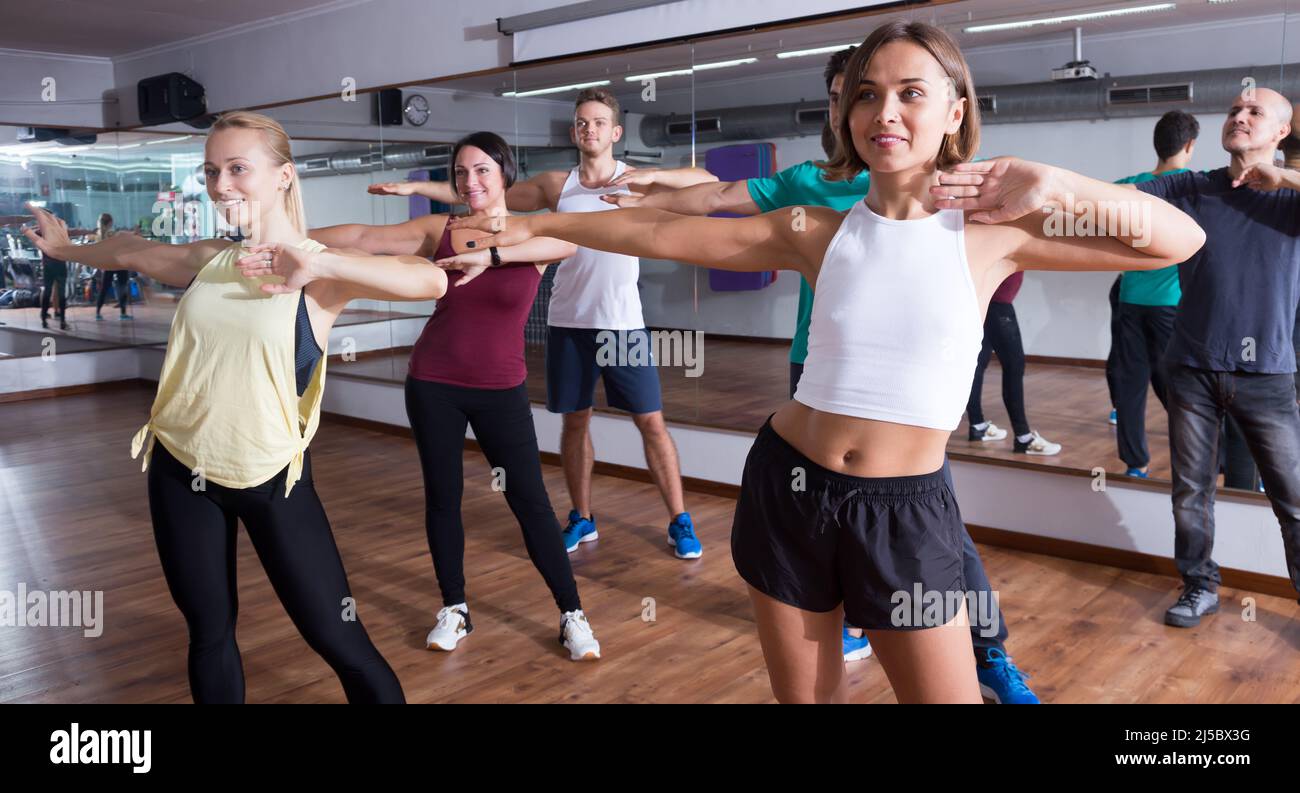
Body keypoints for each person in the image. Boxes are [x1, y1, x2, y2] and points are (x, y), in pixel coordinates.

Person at [446, 21, 1205, 702]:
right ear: (847, 115)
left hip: (904, 510)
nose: (886, 112)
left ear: (955, 112)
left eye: (912, 92)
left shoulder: (990, 232)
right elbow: (656, 234)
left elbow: (1178, 239)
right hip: (790, 489)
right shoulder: (815, 227)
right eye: (868, 94)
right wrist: (521, 223)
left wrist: (1054, 180)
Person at [600, 46, 1037, 701]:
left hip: (914, 390)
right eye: (854, 97)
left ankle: (984, 647)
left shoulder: (934, 183)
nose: (871, 112)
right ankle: (846, 600)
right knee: (829, 498)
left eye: (899, 94)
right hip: (821, 365)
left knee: (929, 527)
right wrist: (662, 185)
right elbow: (721, 197)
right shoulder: (811, 181)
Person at [21, 111, 447, 703]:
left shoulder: (319, 272)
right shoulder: (211, 259)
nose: (222, 185)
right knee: (209, 635)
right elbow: (131, 250)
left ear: (283, 176)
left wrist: (318, 262)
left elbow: (429, 281)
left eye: (239, 169)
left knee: (338, 639)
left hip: (270, 476)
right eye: (212, 171)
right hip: (178, 467)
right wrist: (69, 250)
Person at [372, 89, 718, 559]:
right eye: (581, 122)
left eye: (598, 122)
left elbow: (707, 180)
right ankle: (582, 517)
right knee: (575, 422)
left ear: (615, 132)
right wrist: (417, 189)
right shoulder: (558, 185)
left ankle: (679, 520)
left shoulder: (638, 185)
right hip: (568, 322)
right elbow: (483, 191)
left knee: (651, 422)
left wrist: (650, 175)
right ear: (574, 130)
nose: (588, 129)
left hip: (623, 325)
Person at [311, 132, 602, 661]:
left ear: (505, 173)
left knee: (531, 504)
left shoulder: (531, 232)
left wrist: (490, 255)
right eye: (462, 173)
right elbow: (363, 235)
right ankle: (455, 608)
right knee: (443, 499)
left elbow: (570, 243)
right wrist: (286, 237)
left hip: (501, 389)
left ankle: (571, 614)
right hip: (434, 383)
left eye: (483, 170)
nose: (472, 182)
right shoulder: (437, 230)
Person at [1127, 87, 1300, 626]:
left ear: (1280, 133)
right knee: (1190, 492)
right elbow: (1122, 199)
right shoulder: (1192, 187)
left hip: (1268, 374)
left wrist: (1286, 176)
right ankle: (1197, 585)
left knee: (1293, 502)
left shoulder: (1291, 200)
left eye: (1254, 112)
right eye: (1232, 111)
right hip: (1193, 367)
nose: (1239, 117)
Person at [1110, 110, 1197, 477]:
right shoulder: (1194, 186)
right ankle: (1205, 458)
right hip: (1168, 309)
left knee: (1129, 386)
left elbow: (1089, 209)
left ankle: (1135, 464)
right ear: (1189, 146)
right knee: (1177, 389)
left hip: (1130, 301)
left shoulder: (1131, 183)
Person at [966, 270, 1063, 456]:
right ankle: (1023, 438)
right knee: (1014, 365)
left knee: (979, 362)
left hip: (987, 300)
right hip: (997, 303)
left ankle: (977, 425)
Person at [92, 212, 133, 320]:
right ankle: (123, 314)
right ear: (110, 222)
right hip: (118, 263)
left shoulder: (98, 235)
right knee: (122, 286)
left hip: (107, 264)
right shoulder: (111, 233)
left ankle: (98, 313)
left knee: (104, 288)